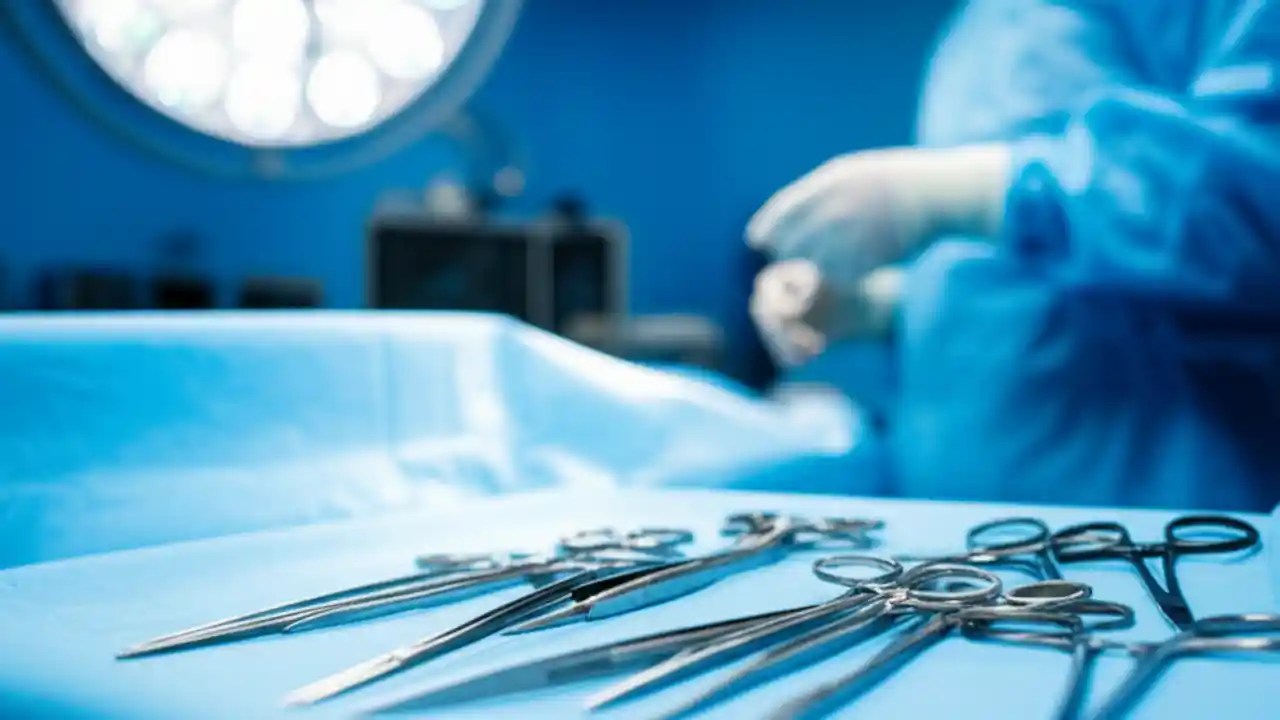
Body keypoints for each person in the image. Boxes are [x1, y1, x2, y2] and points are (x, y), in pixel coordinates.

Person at [748, 0, 1280, 510]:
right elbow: (1014, 285)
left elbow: (1253, 206)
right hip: (959, 504)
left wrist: (977, 192)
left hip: (1147, 502)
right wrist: (879, 307)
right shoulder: (978, 24)